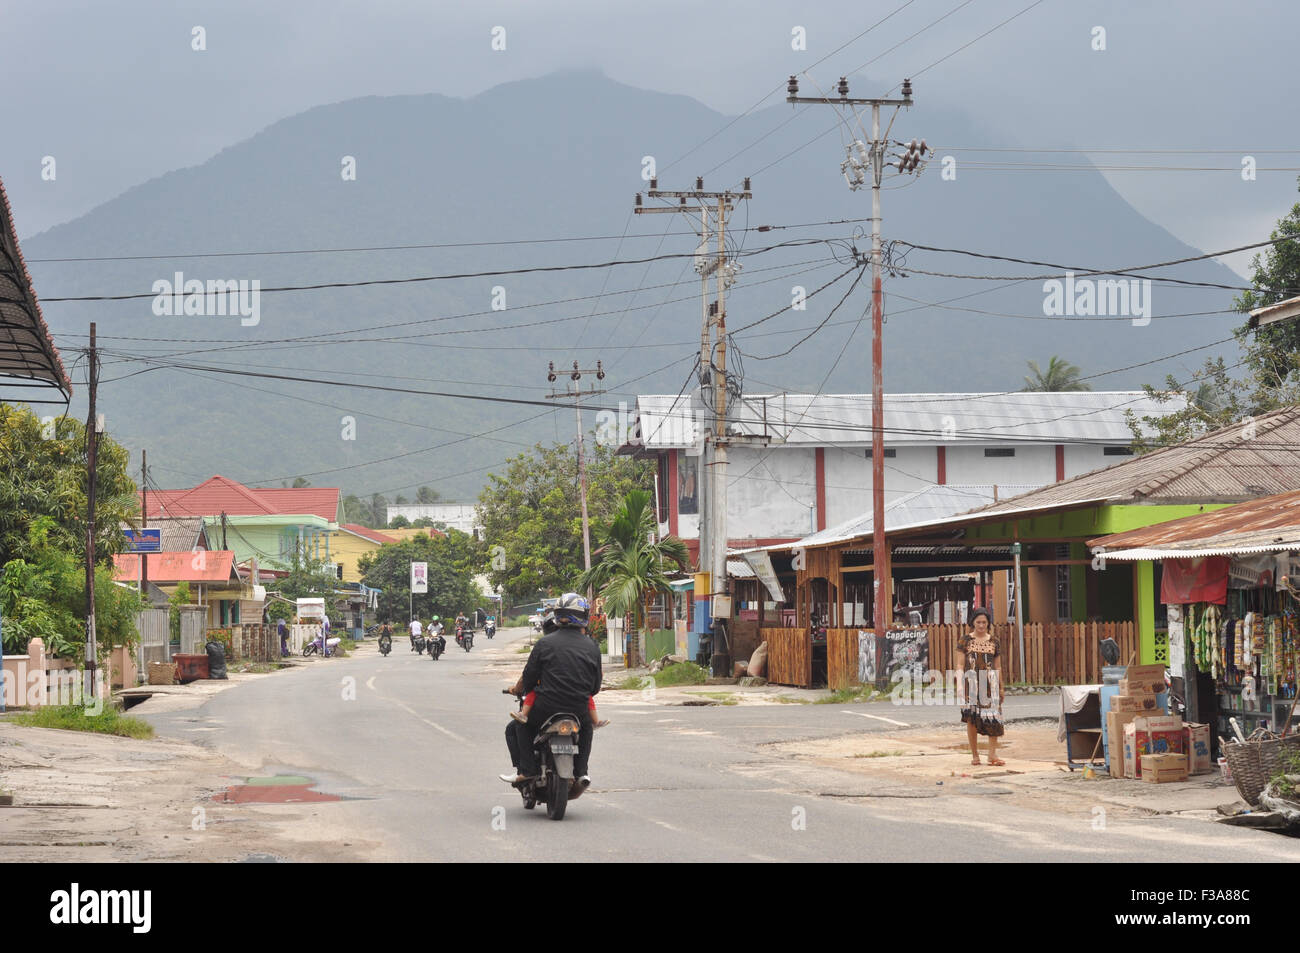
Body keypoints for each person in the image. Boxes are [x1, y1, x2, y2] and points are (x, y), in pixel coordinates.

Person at [501, 593, 602, 788]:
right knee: (588, 727)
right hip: (578, 710)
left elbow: (529, 678)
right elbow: (595, 686)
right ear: (583, 616)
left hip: (545, 708)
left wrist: (521, 690)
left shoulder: (544, 643)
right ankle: (582, 772)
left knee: (517, 726)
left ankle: (527, 771)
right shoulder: (592, 647)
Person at [957, 608, 1006, 766]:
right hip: (970, 684)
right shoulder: (965, 641)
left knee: (994, 718)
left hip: (990, 684)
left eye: (984, 622)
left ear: (988, 623)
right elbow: (959, 664)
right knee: (972, 719)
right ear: (973, 622)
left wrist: (1001, 687)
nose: (981, 625)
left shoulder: (994, 642)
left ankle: (992, 755)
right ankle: (975, 755)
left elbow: (998, 667)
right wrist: (959, 685)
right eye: (978, 622)